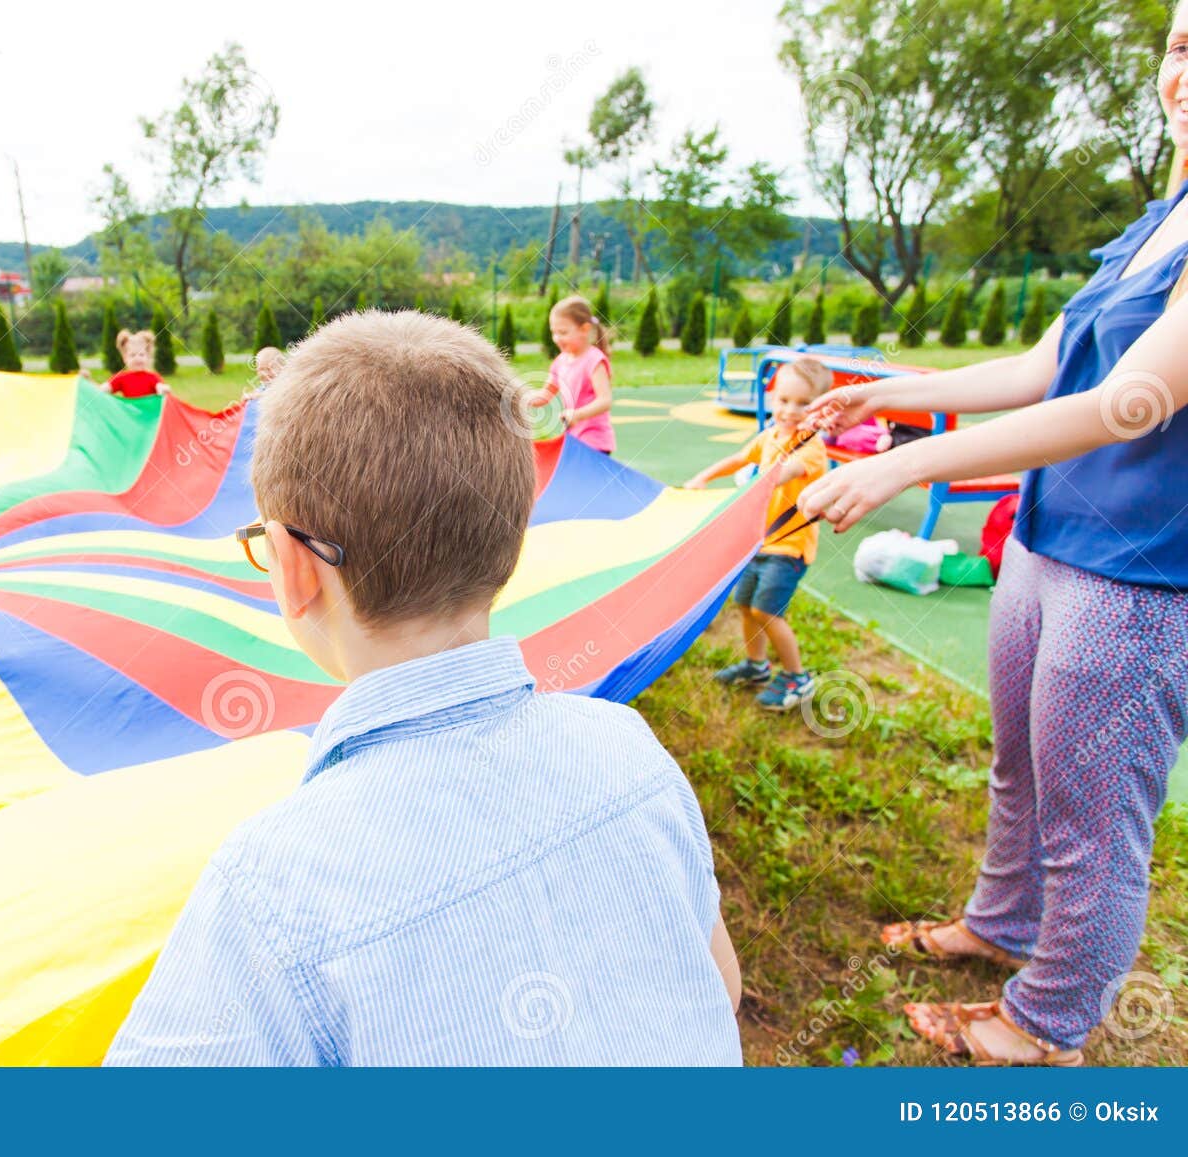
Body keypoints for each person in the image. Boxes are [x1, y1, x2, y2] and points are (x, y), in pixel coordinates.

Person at [104, 311, 741, 1066]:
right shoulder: (628, 748)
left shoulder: (268, 889)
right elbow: (719, 987)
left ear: (291, 565)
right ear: (514, 533)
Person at [795, 8, 1188, 1065]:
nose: (1185, 73)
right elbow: (1039, 368)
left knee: (1091, 820)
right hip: (1046, 540)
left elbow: (1134, 403)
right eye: (1181, 46)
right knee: (1018, 767)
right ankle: (999, 925)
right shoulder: (1164, 216)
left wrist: (908, 460)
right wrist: (891, 393)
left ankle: (1045, 1022)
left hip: (1141, 577)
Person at [684, 357, 832, 710]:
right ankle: (756, 666)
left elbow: (784, 472)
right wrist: (704, 477)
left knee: (768, 611)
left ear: (821, 408)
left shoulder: (811, 449)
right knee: (746, 606)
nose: (790, 410)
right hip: (757, 543)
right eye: (783, 400)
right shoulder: (770, 435)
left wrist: (753, 482)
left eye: (803, 403)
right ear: (773, 398)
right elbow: (739, 458)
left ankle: (798, 678)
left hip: (789, 548)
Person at [544, 294, 615, 454]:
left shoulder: (594, 360)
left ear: (584, 329)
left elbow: (605, 400)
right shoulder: (560, 361)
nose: (556, 338)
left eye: (563, 332)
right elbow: (544, 395)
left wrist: (578, 415)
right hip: (573, 438)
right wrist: (516, 397)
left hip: (594, 439)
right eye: (553, 332)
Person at [107, 330, 170, 398]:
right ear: (125, 358)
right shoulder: (121, 378)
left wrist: (163, 389)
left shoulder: (153, 377)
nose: (137, 358)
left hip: (148, 408)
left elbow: (160, 387)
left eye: (141, 354)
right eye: (133, 355)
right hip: (129, 408)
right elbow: (104, 389)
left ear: (148, 357)